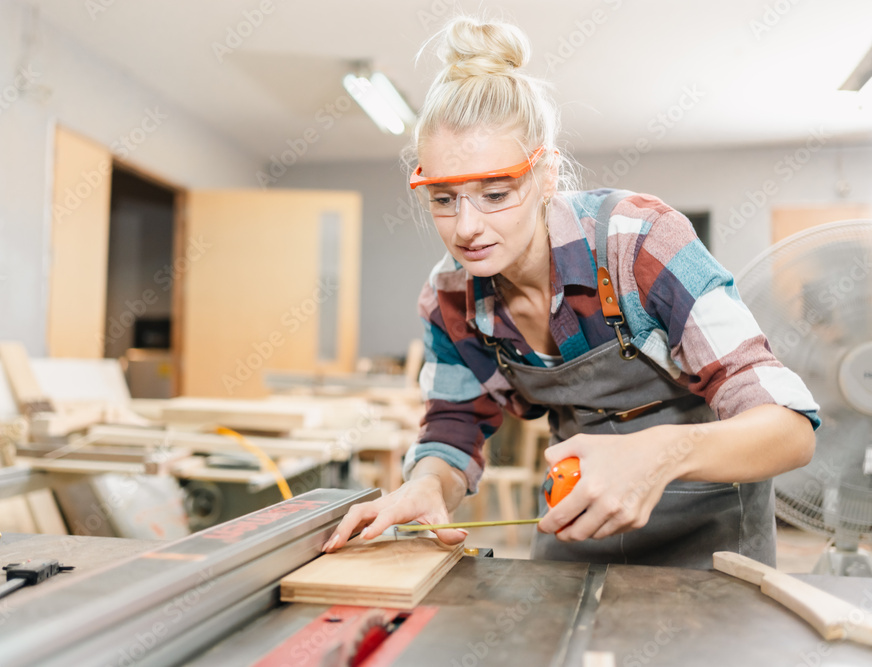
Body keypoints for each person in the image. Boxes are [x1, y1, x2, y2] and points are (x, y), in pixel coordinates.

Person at [323, 16, 820, 568]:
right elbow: (453, 426)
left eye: (494, 193)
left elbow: (790, 428)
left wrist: (658, 453)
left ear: (547, 174)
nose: (466, 228)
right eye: (443, 199)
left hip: (712, 540)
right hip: (577, 526)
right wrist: (428, 485)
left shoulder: (638, 243)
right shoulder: (451, 297)